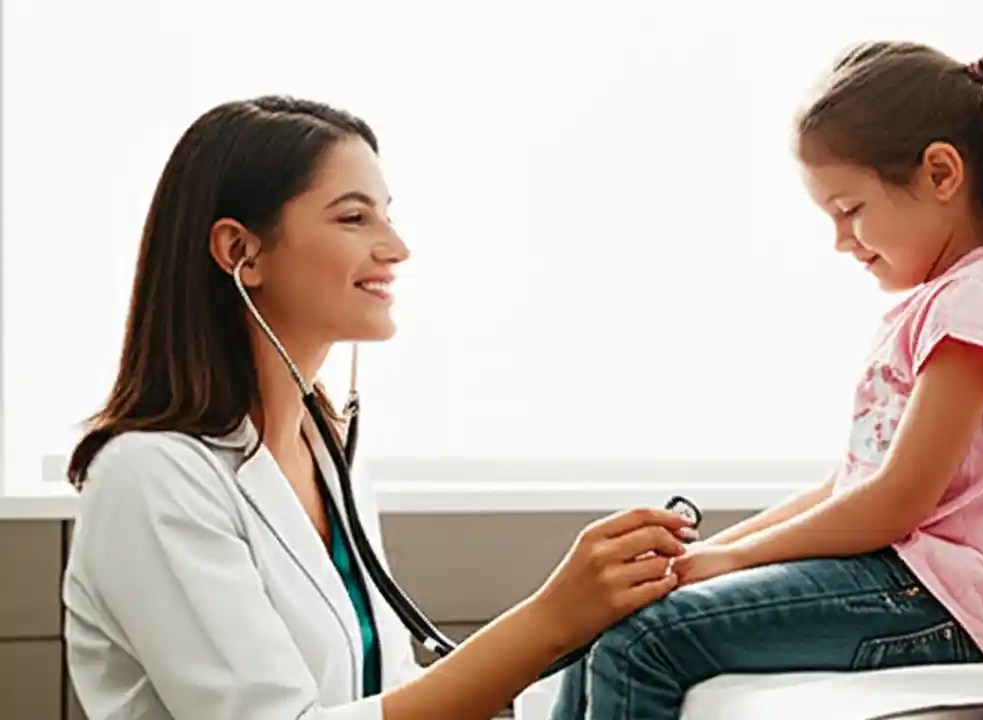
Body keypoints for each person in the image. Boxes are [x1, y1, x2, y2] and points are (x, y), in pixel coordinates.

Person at [60, 95, 698, 720]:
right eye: (353, 218)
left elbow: (383, 696)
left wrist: (587, 619)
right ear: (240, 252)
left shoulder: (324, 451)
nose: (396, 246)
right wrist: (550, 619)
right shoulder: (150, 477)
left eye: (387, 215)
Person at [549, 41, 983, 719]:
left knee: (643, 640)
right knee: (604, 622)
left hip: (934, 601)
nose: (841, 241)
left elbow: (893, 504)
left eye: (850, 210)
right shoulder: (940, 305)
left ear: (942, 173)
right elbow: (851, 488)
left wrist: (733, 565)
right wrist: (716, 550)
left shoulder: (979, 305)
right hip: (897, 581)